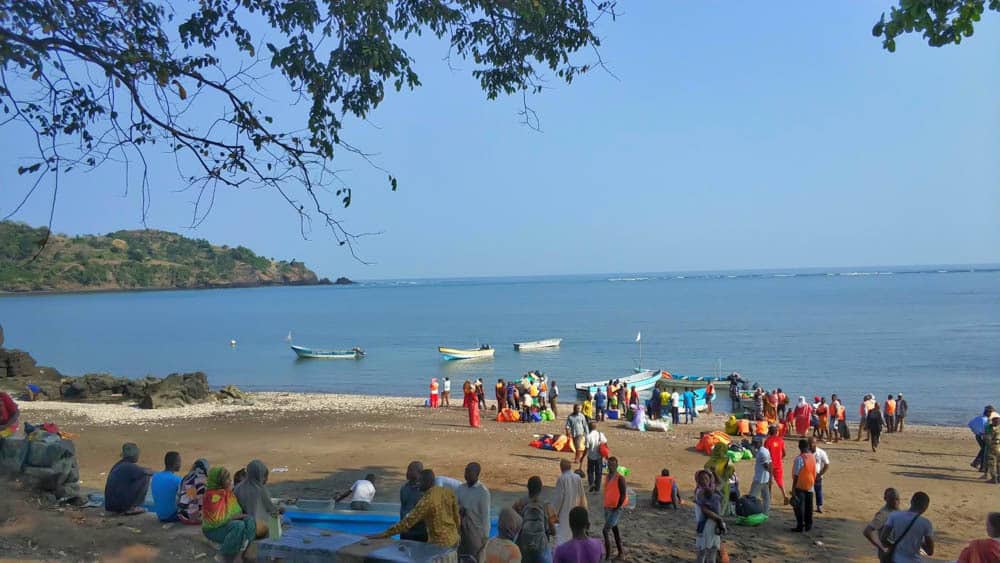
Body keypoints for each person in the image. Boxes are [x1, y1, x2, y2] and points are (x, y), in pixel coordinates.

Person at [372, 469, 460, 547]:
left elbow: (408, 522)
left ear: (427, 482)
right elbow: (456, 515)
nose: (418, 484)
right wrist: (458, 533)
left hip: (440, 544)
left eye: (420, 481)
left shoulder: (427, 501)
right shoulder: (447, 492)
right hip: (453, 538)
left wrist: (385, 534)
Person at [201, 467, 256, 562]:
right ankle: (222, 556)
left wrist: (239, 516)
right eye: (227, 478)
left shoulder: (228, 494)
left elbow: (237, 511)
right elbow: (217, 520)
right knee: (238, 525)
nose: (230, 481)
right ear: (219, 481)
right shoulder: (211, 497)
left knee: (250, 520)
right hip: (213, 529)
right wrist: (236, 517)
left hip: (227, 525)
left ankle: (241, 555)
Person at [880, 491, 934, 563]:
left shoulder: (894, 515)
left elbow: (883, 538)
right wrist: (920, 542)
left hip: (895, 559)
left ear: (911, 501)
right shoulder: (926, 523)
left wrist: (894, 546)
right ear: (926, 507)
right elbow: (930, 551)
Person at [234, 459, 283, 539]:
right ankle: (274, 539)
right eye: (265, 477)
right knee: (281, 519)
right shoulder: (261, 490)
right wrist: (281, 508)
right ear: (259, 475)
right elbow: (271, 510)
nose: (266, 480)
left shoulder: (237, 488)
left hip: (243, 524)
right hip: (258, 528)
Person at [104, 442, 153, 515]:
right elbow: (149, 472)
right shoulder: (129, 467)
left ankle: (129, 506)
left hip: (110, 505)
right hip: (118, 506)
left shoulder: (119, 465)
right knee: (145, 477)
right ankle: (132, 508)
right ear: (133, 455)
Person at [456, 462, 491, 559]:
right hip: (462, 531)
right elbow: (454, 506)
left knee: (474, 558)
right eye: (465, 471)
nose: (466, 474)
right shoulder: (461, 488)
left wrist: (485, 537)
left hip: (476, 533)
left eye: (469, 472)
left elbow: (486, 516)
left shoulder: (483, 492)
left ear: (477, 474)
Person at [553, 458, 588, 546]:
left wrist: (555, 513)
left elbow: (558, 498)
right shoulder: (577, 477)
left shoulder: (562, 479)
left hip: (564, 512)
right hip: (576, 510)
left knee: (563, 535)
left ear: (561, 468)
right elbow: (582, 495)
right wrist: (583, 509)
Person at [694, 469, 725, 563]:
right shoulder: (700, 492)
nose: (703, 481)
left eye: (706, 479)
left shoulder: (711, 489)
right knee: (703, 552)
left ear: (710, 480)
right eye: (701, 479)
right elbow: (704, 510)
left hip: (712, 525)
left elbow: (720, 483)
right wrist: (719, 519)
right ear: (698, 481)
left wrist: (714, 472)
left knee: (710, 553)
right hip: (706, 525)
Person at [862, 487, 900, 560]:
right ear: (885, 499)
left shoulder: (896, 512)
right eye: (892, 499)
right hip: (889, 555)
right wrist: (882, 548)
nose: (895, 502)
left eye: (897, 499)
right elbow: (867, 531)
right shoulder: (884, 514)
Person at [602, 457, 627, 561]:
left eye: (612, 465)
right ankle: (621, 553)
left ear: (616, 466)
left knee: (605, 530)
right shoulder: (607, 477)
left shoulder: (620, 478)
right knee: (615, 529)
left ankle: (608, 556)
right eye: (609, 464)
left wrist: (617, 507)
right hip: (608, 507)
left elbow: (623, 494)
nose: (610, 467)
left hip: (615, 508)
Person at [790, 438, 815, 533]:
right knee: (809, 506)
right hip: (810, 484)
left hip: (800, 485)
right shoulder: (812, 457)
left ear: (799, 447)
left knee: (799, 507)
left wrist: (793, 489)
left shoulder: (799, 459)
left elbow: (796, 475)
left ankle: (800, 525)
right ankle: (809, 525)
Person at [399, 461, 428, 542]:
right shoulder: (404, 489)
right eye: (408, 470)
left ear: (419, 472)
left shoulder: (425, 490)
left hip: (420, 532)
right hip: (405, 531)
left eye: (410, 470)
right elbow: (403, 508)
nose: (407, 472)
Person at [704, 442, 735, 515]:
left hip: (711, 486)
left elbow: (705, 472)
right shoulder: (727, 460)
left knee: (713, 504)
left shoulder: (710, 461)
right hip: (723, 485)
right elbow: (730, 474)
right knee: (723, 502)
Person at [151, 451, 183, 522]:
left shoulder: (155, 476)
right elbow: (190, 496)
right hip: (171, 516)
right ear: (175, 463)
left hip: (160, 515)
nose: (181, 464)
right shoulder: (177, 480)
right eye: (179, 461)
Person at [177, 458, 209, 525]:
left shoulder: (187, 477)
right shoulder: (202, 480)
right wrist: (195, 518)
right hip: (190, 517)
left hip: (182, 515)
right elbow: (193, 501)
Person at [748, 437, 773, 513]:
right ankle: (766, 513)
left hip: (759, 479)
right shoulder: (765, 450)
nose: (754, 445)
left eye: (755, 443)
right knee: (766, 498)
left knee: (752, 497)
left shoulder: (762, 452)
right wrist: (770, 477)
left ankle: (751, 512)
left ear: (759, 443)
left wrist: (771, 477)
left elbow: (767, 466)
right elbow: (770, 463)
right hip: (765, 478)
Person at [808, 436, 830, 513]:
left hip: (817, 475)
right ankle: (809, 506)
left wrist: (820, 474)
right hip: (807, 475)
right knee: (808, 491)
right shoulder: (806, 452)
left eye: (813, 443)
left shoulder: (821, 452)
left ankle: (819, 506)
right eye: (810, 443)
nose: (811, 445)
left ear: (816, 443)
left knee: (818, 490)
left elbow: (827, 464)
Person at [584, 421, 606, 492]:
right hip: (599, 456)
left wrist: (582, 458)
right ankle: (597, 487)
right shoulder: (600, 434)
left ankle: (591, 484)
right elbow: (605, 444)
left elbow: (586, 448)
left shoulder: (588, 436)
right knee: (598, 472)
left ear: (589, 427)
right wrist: (606, 455)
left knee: (590, 471)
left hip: (590, 456)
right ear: (596, 427)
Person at [969, 407, 993, 472]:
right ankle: (981, 467)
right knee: (985, 452)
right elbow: (985, 430)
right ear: (987, 412)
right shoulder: (985, 420)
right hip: (983, 437)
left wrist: (975, 431)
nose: (991, 414)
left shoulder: (978, 417)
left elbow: (970, 424)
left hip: (978, 436)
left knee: (983, 450)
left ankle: (976, 463)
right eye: (990, 412)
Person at [986, 417, 1000, 484]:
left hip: (993, 447)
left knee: (991, 463)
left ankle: (994, 478)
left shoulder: (992, 429)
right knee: (999, 463)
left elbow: (988, 439)